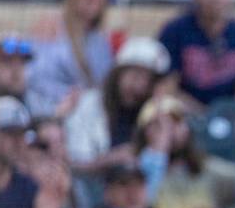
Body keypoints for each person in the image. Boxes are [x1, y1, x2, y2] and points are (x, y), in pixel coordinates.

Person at [64, 37, 170, 182]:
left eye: (149, 80)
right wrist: (110, 159)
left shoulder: (156, 114)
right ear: (118, 73)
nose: (140, 86)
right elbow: (73, 165)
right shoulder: (90, 104)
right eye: (135, 75)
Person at [25, 0, 114, 115]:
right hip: (51, 111)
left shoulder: (100, 40)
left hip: (89, 112)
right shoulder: (52, 28)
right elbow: (36, 79)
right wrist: (68, 96)